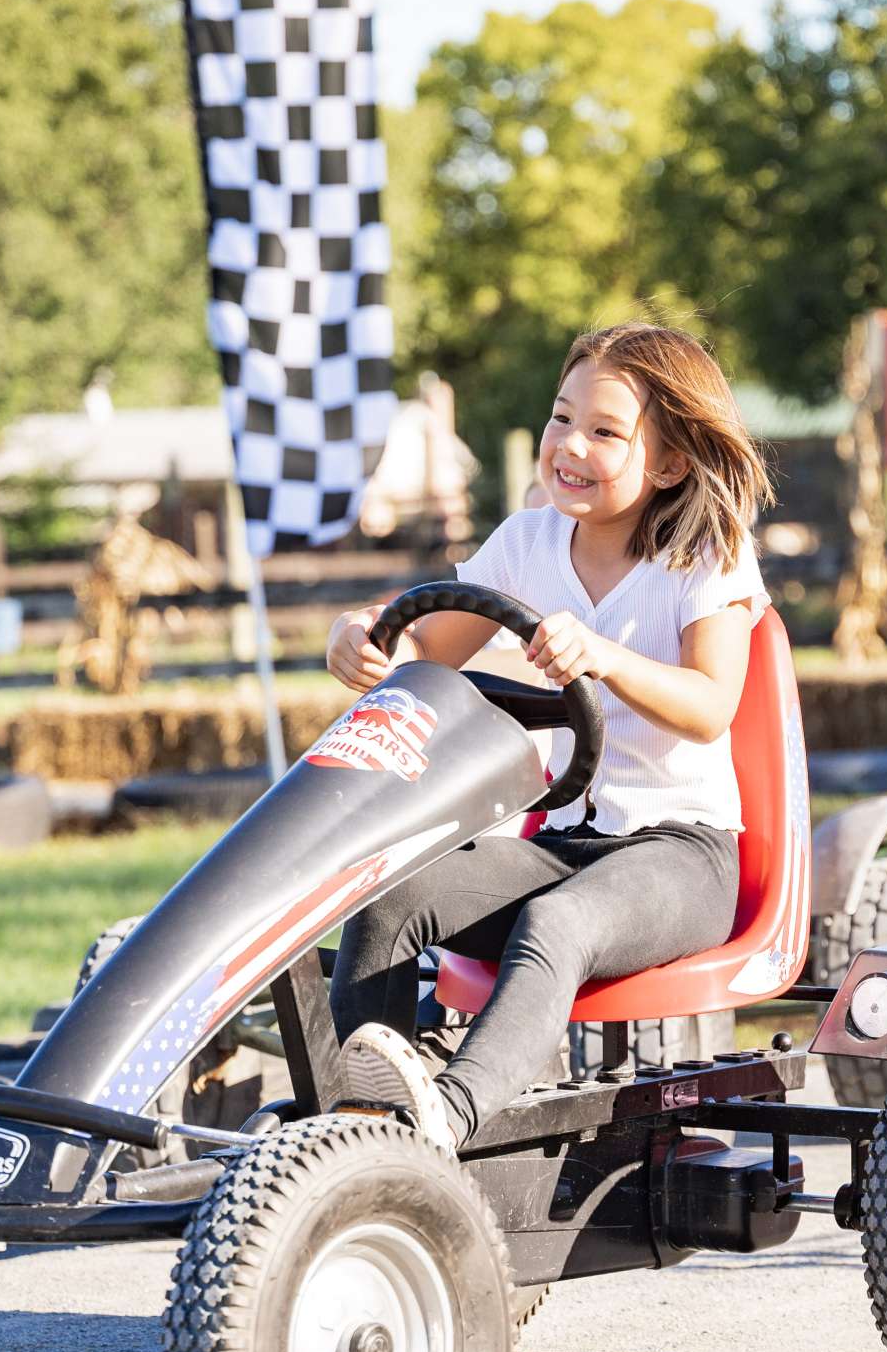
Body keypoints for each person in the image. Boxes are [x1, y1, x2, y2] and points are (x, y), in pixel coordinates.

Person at [320, 322, 775, 1152]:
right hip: (566, 844)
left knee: (557, 924)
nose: (570, 445)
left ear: (670, 463)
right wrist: (360, 636)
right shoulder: (526, 542)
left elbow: (712, 705)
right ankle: (361, 1125)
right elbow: (424, 646)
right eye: (562, 417)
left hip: (684, 855)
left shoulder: (709, 553)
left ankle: (440, 1124)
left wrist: (604, 656)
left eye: (605, 431)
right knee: (387, 892)